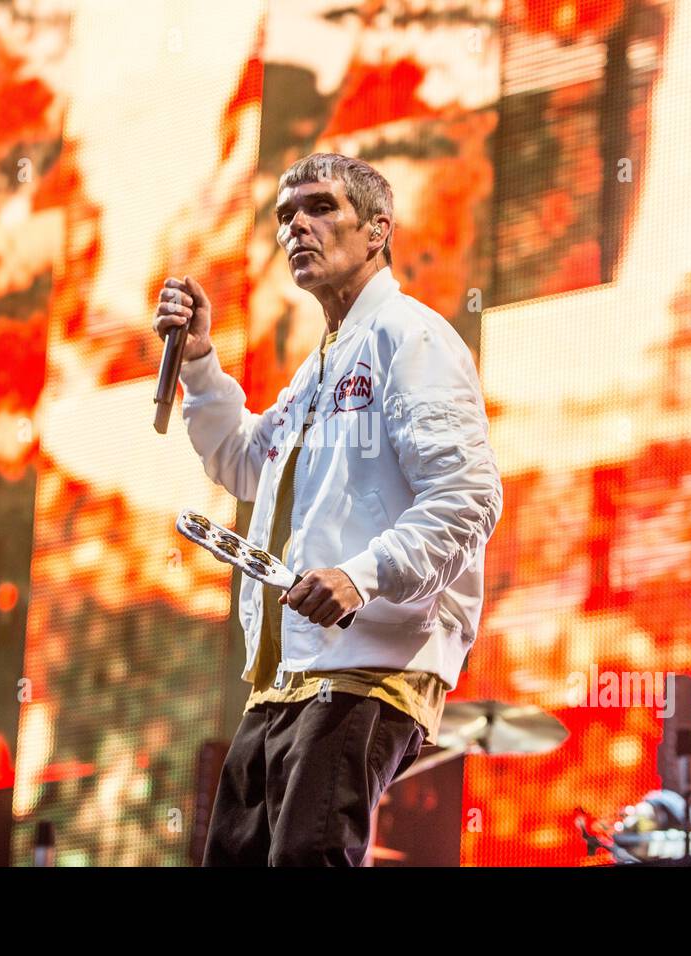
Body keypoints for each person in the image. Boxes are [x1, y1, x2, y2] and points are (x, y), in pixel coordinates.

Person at [152, 152, 503, 865]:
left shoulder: (412, 338)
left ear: (378, 231)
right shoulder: (320, 367)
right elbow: (246, 462)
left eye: (319, 209)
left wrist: (361, 575)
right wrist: (197, 362)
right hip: (285, 679)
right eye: (286, 216)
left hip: (370, 663)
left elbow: (469, 497)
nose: (297, 229)